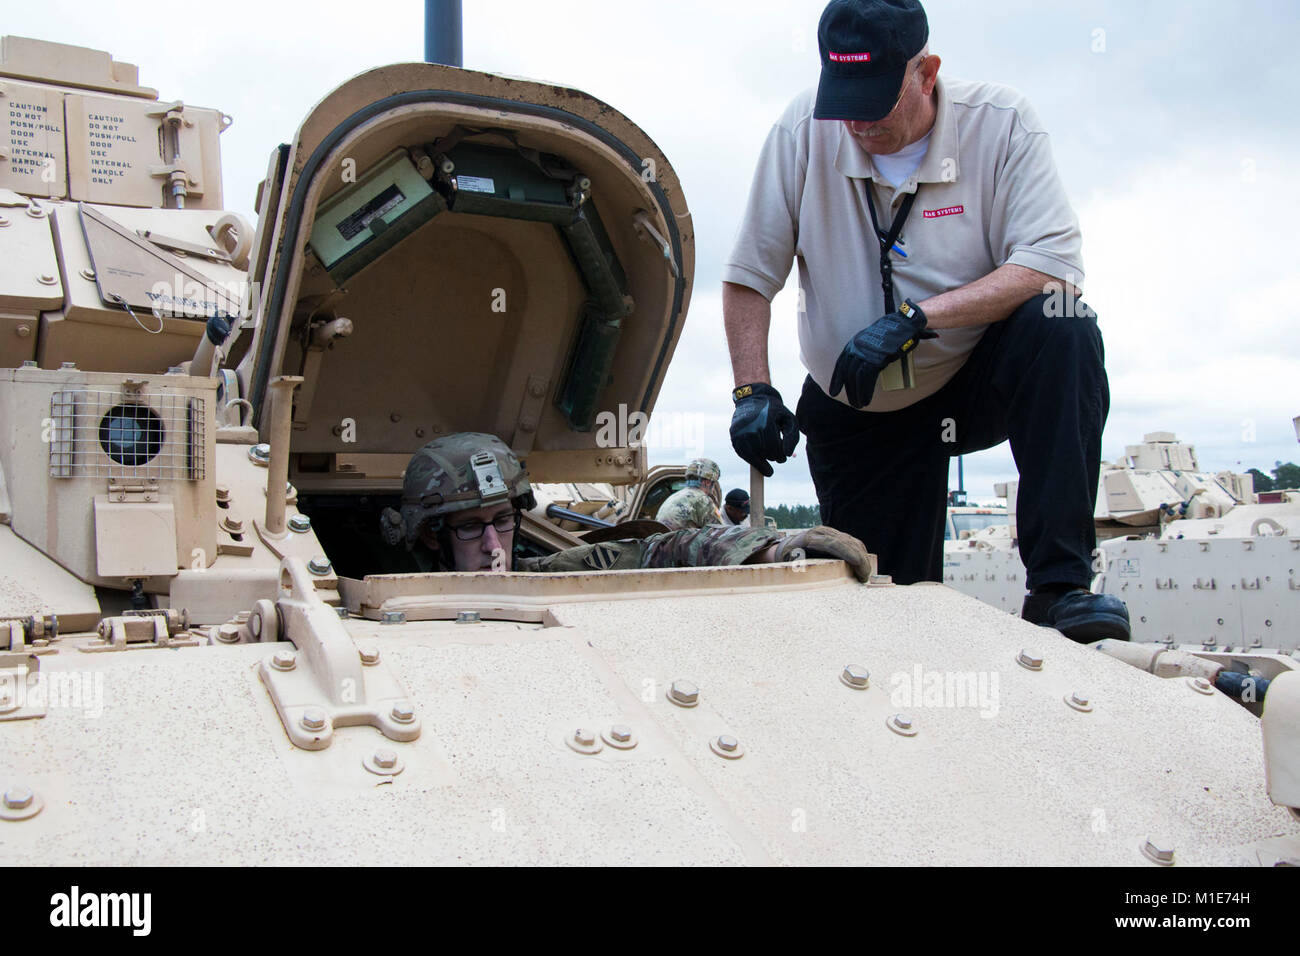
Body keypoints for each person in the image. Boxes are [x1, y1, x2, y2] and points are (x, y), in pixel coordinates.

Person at [721, 0, 1129, 642]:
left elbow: (1051, 264)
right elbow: (749, 277)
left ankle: (1058, 588)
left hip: (967, 382)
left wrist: (917, 319)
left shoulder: (1004, 124)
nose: (857, 120)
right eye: (844, 99)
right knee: (890, 622)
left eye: (876, 100)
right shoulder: (801, 130)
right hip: (857, 407)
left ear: (927, 72)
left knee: (1063, 322)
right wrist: (752, 390)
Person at [381, 433, 875, 579]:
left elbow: (665, 548)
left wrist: (778, 547)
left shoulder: (541, 573)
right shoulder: (378, 605)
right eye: (470, 528)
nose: (495, 546)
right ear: (430, 534)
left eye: (504, 521)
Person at [654, 458, 724, 530]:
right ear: (708, 482)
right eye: (714, 483)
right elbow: (721, 532)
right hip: (679, 540)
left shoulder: (673, 497)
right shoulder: (702, 499)